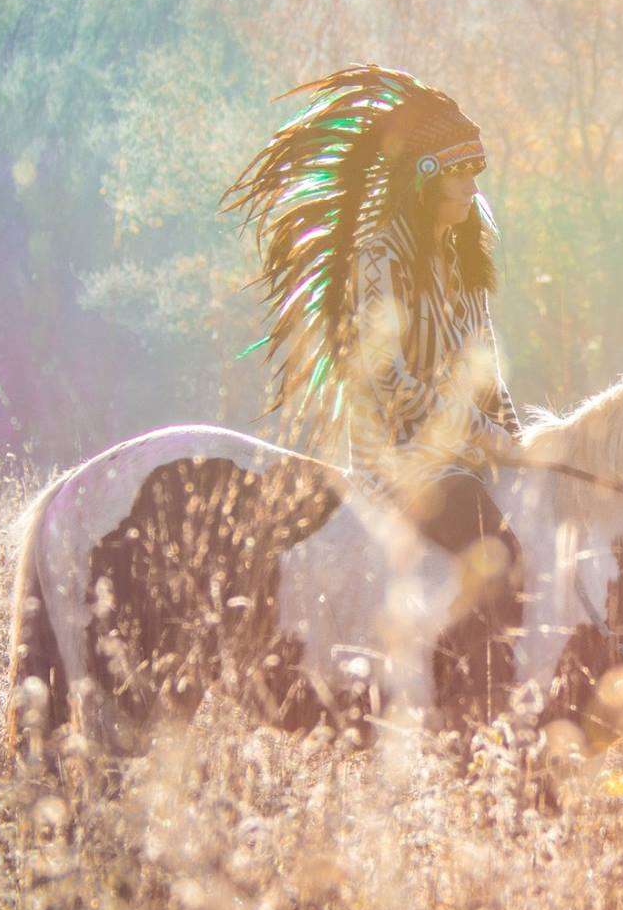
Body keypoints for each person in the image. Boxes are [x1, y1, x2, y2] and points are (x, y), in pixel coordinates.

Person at [225, 65, 526, 726]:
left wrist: (515, 434)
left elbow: (486, 369)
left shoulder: (466, 259)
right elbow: (384, 380)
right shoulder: (380, 257)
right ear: (424, 180)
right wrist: (476, 432)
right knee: (492, 542)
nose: (474, 190)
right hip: (400, 464)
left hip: (466, 455)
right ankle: (466, 701)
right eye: (461, 175)